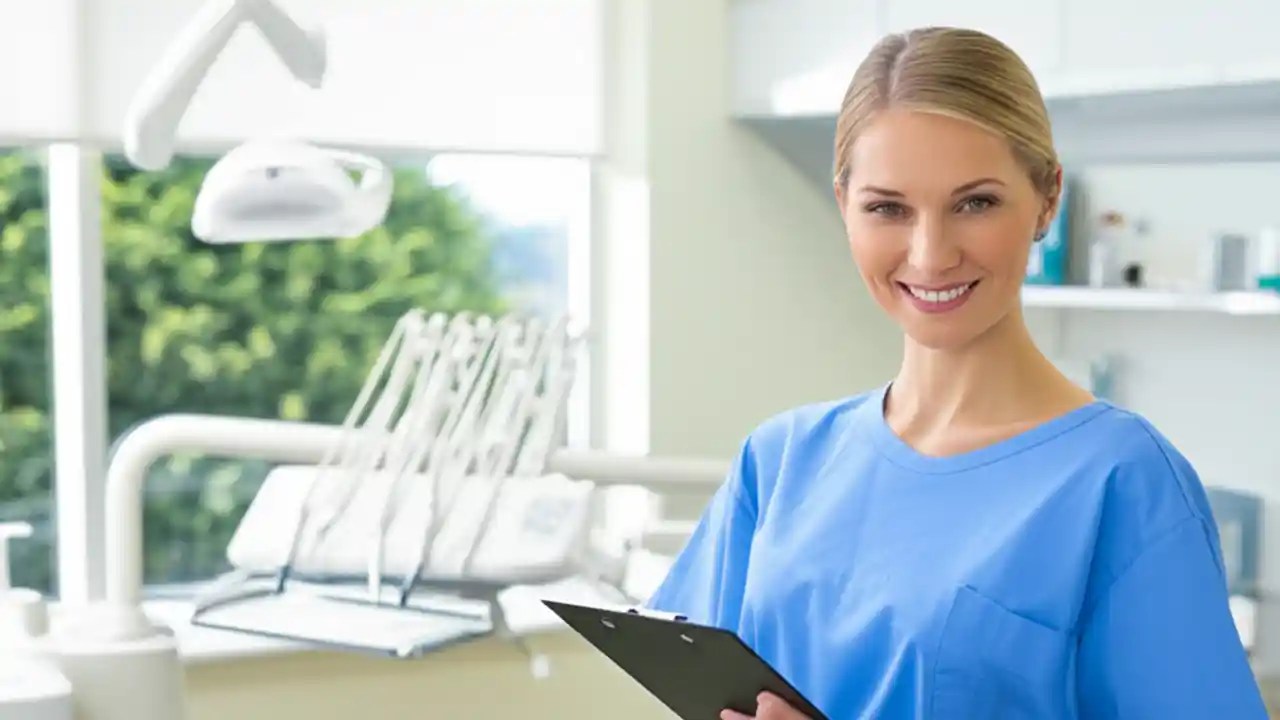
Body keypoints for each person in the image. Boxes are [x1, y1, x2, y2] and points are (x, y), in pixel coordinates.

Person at [645, 26, 1269, 720]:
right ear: (844, 204)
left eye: (975, 202)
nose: (930, 254)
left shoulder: (1121, 483)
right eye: (887, 208)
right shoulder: (781, 461)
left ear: (1047, 199)